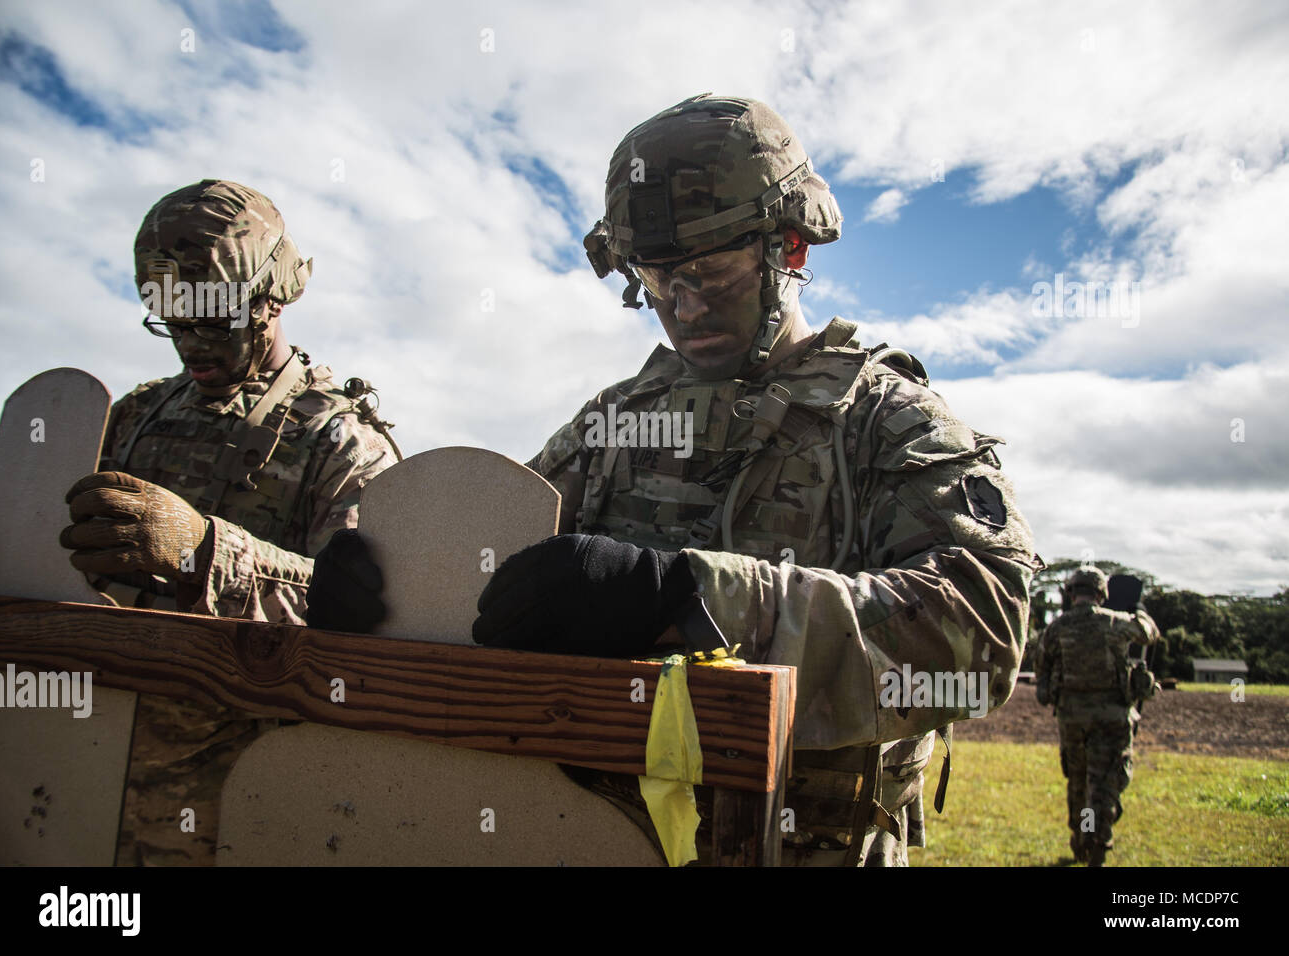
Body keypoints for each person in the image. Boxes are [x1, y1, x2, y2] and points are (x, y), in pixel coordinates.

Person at [310, 94, 1041, 866]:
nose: (684, 308)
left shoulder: (885, 419)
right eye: (655, 282)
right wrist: (390, 587)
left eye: (713, 274)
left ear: (790, 248)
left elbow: (981, 635)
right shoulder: (616, 423)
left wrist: (682, 596)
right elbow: (492, 573)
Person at [58, 179, 401, 865]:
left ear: (273, 296)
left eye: (212, 317)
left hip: (237, 807)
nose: (191, 343)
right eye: (171, 319)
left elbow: (367, 622)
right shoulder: (136, 414)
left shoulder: (342, 440)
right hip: (84, 785)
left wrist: (205, 551)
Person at [1035, 565, 1160, 866]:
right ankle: (1098, 846)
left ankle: (1080, 840)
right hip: (1111, 719)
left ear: (1071, 592)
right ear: (1101, 593)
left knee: (1078, 781)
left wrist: (1051, 691)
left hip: (1072, 719)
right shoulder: (1116, 622)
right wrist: (1140, 610)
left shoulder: (1057, 628)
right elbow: (1148, 633)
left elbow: (1042, 667)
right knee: (1103, 784)